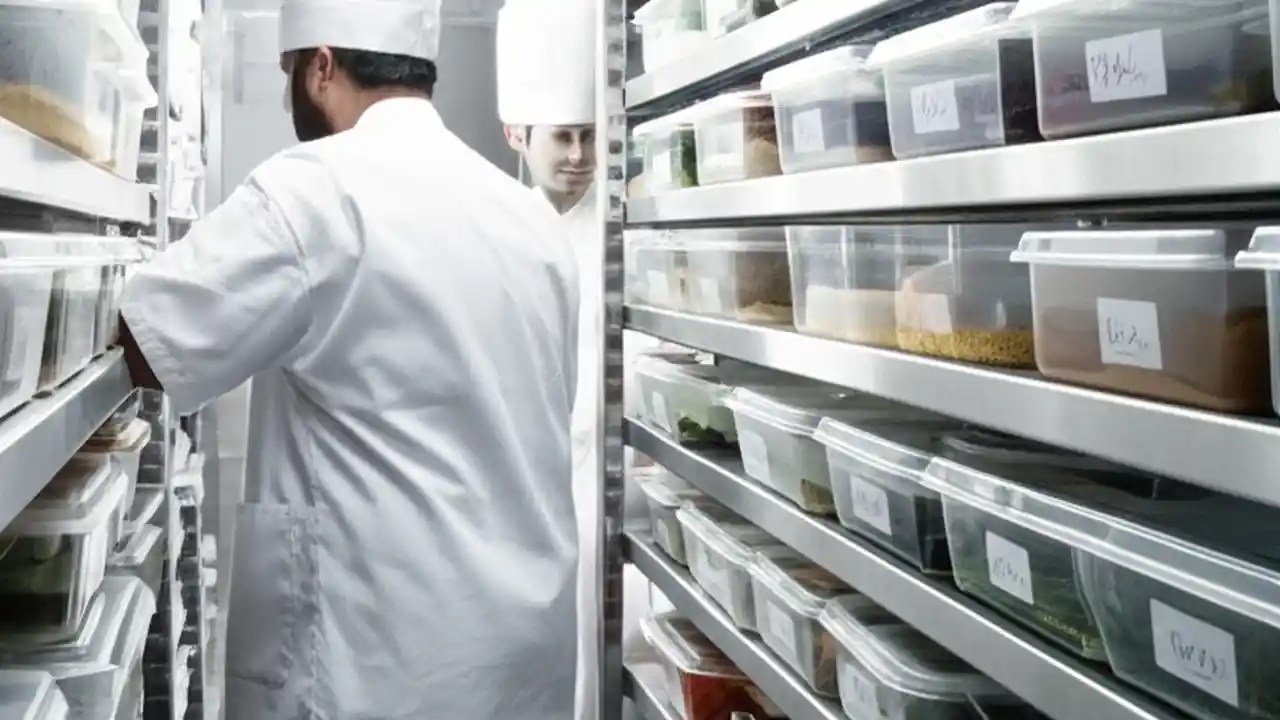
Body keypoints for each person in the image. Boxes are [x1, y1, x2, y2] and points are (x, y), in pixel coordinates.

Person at [117, 0, 581, 717]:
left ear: (321, 66)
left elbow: (148, 341)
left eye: (291, 72)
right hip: (518, 660)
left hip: (375, 664)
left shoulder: (315, 190)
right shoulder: (531, 222)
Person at [495, 2, 602, 718]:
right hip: (516, 508)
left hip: (604, 501)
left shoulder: (624, 234)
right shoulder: (493, 232)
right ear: (516, 133)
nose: (578, 155)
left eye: (591, 136)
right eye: (562, 136)